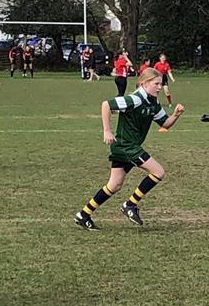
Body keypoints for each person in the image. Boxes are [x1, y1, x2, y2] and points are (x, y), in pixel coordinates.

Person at [74, 68, 186, 229]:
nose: (160, 87)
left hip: (126, 147)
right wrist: (106, 130)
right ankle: (130, 205)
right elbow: (106, 105)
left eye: (161, 84)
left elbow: (165, 124)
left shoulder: (152, 102)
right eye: (156, 84)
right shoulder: (135, 99)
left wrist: (175, 115)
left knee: (114, 185)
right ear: (145, 83)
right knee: (158, 172)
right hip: (127, 146)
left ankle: (83, 215)